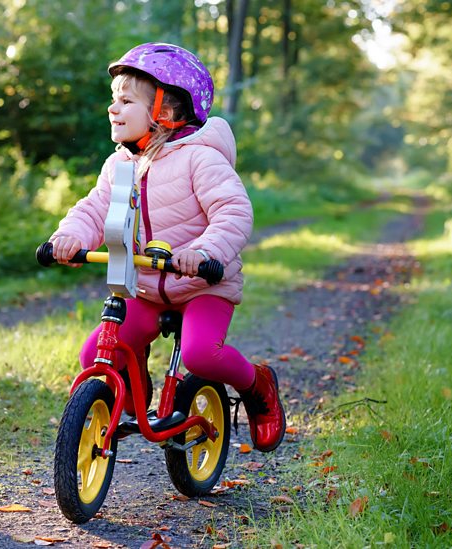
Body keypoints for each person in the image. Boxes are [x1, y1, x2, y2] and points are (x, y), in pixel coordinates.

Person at [48, 43, 285, 452]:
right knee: (96, 354)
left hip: (202, 284)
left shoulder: (200, 159)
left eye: (126, 101)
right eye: (113, 100)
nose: (113, 108)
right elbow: (94, 209)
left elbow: (233, 212)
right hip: (146, 288)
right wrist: (68, 237)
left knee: (200, 355)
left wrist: (206, 251)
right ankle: (134, 391)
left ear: (165, 111)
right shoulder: (119, 164)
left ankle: (256, 384)